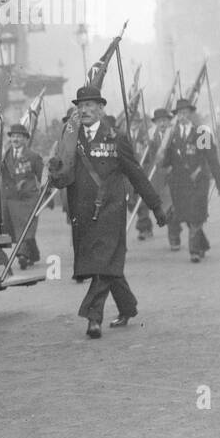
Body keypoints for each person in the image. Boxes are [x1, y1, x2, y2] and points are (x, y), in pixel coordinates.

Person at [48, 86, 168, 338]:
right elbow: (61, 178)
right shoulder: (71, 138)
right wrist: (54, 169)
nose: (85, 110)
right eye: (81, 106)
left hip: (111, 211)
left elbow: (136, 173)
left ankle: (93, 318)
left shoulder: (116, 138)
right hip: (83, 213)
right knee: (106, 264)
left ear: (101, 109)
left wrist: (156, 206)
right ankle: (128, 307)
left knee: (102, 264)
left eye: (90, 106)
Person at [160, 98, 220, 262]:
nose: (182, 116)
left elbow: (211, 158)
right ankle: (202, 244)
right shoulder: (172, 135)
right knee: (187, 216)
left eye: (185, 113)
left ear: (190, 114)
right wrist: (161, 154)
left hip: (198, 180)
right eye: (179, 113)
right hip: (179, 183)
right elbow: (166, 161)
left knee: (196, 213)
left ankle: (194, 250)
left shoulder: (201, 133)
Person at [0, 123, 44, 269]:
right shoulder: (5, 156)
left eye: (19, 136)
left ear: (25, 139)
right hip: (12, 198)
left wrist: (45, 193)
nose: (15, 139)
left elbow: (42, 176)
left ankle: (22, 255)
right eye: (13, 136)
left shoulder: (33, 156)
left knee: (25, 226)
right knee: (20, 228)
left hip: (29, 198)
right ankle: (33, 254)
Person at [134, 107, 173, 241]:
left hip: (171, 174)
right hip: (154, 174)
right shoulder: (150, 135)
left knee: (170, 205)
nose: (162, 124)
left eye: (165, 121)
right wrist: (146, 147)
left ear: (169, 121)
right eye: (159, 121)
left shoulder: (173, 133)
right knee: (145, 201)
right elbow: (143, 155)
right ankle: (144, 228)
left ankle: (174, 234)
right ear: (155, 123)